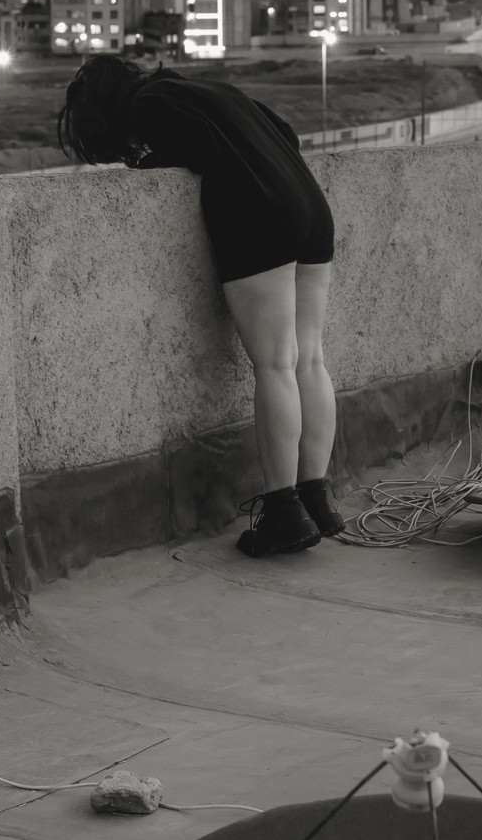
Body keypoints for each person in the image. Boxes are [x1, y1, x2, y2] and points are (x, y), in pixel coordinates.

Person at [58, 54, 342, 556]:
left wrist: (143, 159)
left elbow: (193, 149)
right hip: (310, 208)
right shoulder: (210, 90)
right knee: (309, 358)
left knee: (276, 364)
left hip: (261, 215)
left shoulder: (148, 106)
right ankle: (317, 499)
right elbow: (287, 133)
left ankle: (283, 512)